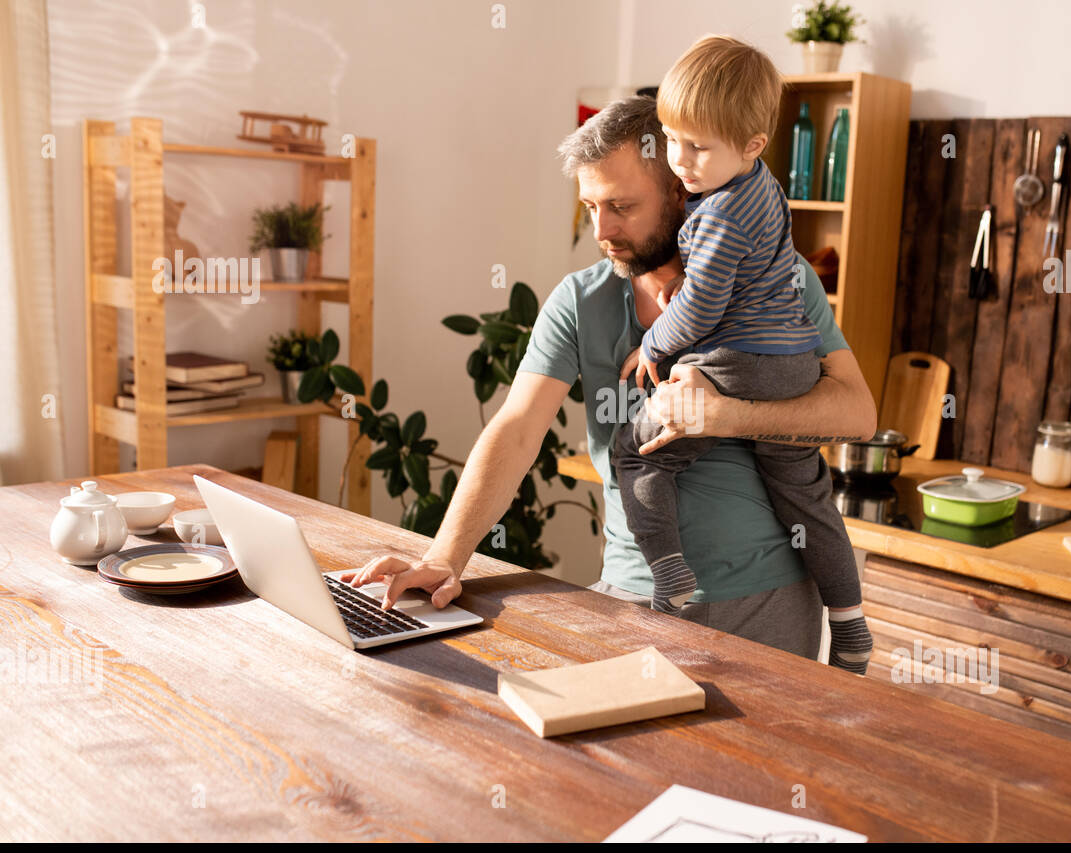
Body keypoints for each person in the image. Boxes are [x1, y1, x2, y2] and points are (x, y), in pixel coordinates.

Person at [343, 94, 877, 668]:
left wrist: (729, 416)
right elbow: (519, 429)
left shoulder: (780, 278)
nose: (604, 230)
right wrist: (446, 557)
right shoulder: (580, 300)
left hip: (765, 598)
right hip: (633, 592)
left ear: (680, 188)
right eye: (591, 206)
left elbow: (856, 413)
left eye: (622, 205)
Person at [608, 36, 871, 674]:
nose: (680, 161)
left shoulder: (716, 218)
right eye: (672, 139)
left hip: (743, 363)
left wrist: (657, 344)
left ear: (752, 144)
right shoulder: (763, 187)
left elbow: (700, 308)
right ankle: (850, 623)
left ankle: (671, 576)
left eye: (697, 147)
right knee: (806, 496)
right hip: (792, 363)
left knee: (636, 455)